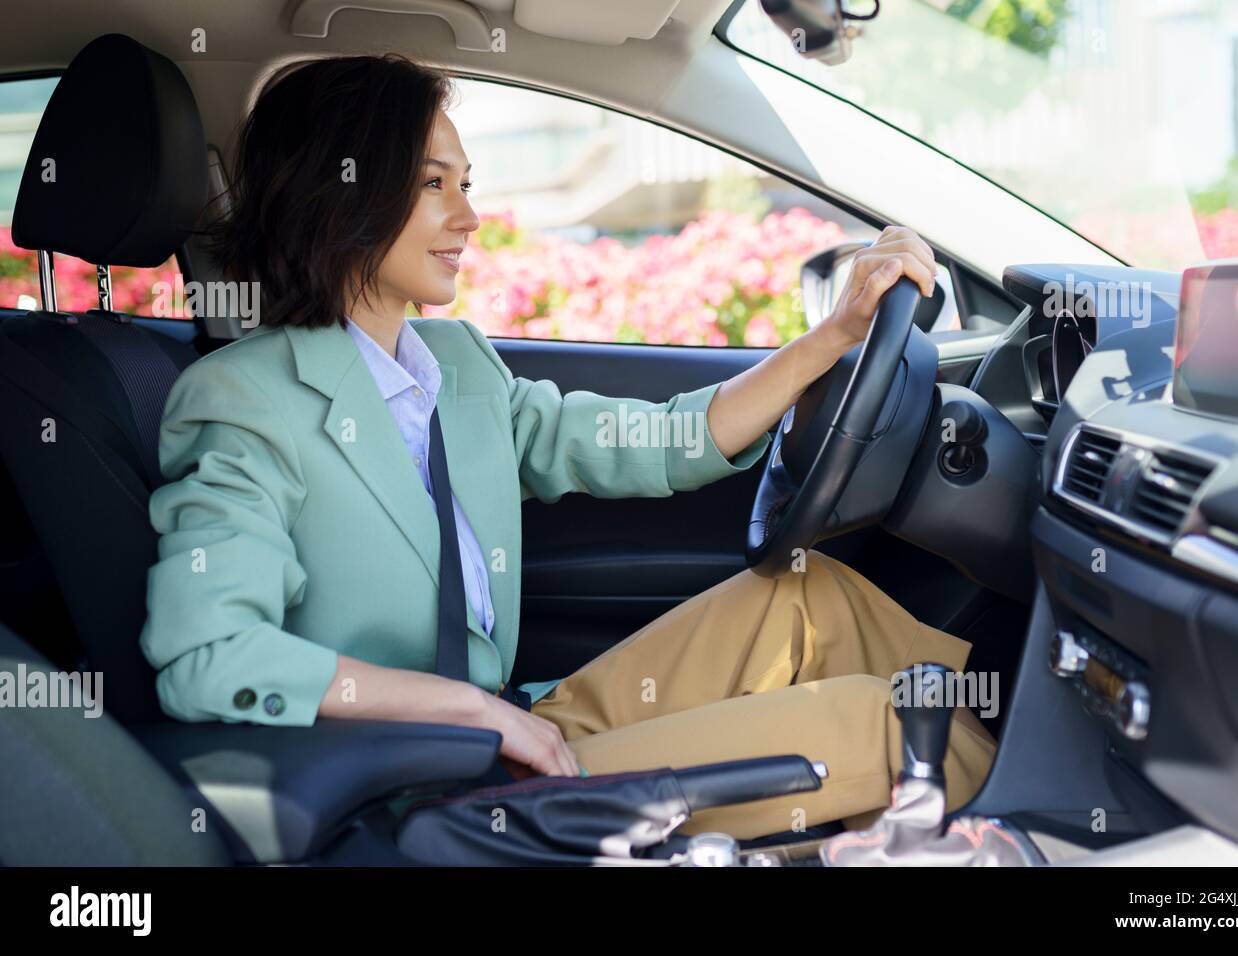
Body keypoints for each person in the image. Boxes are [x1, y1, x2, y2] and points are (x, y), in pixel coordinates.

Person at [140, 54, 994, 839]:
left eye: (466, 183)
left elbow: (658, 440)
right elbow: (210, 657)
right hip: (417, 791)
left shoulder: (455, 364)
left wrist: (834, 337)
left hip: (511, 733)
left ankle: (1032, 737)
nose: (470, 217)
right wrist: (476, 715)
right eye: (434, 184)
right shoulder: (244, 399)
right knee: (888, 732)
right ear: (343, 195)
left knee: (814, 600)